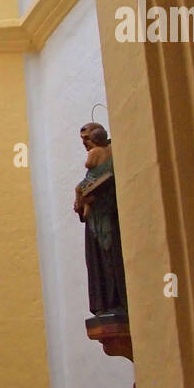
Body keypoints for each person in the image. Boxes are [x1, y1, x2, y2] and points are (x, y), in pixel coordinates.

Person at [73, 122, 128, 315]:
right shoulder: (97, 160)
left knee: (112, 258)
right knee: (97, 262)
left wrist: (86, 194)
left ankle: (119, 302)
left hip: (109, 217)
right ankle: (104, 305)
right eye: (82, 140)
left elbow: (108, 181)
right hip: (94, 221)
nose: (85, 143)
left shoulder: (111, 154)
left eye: (87, 138)